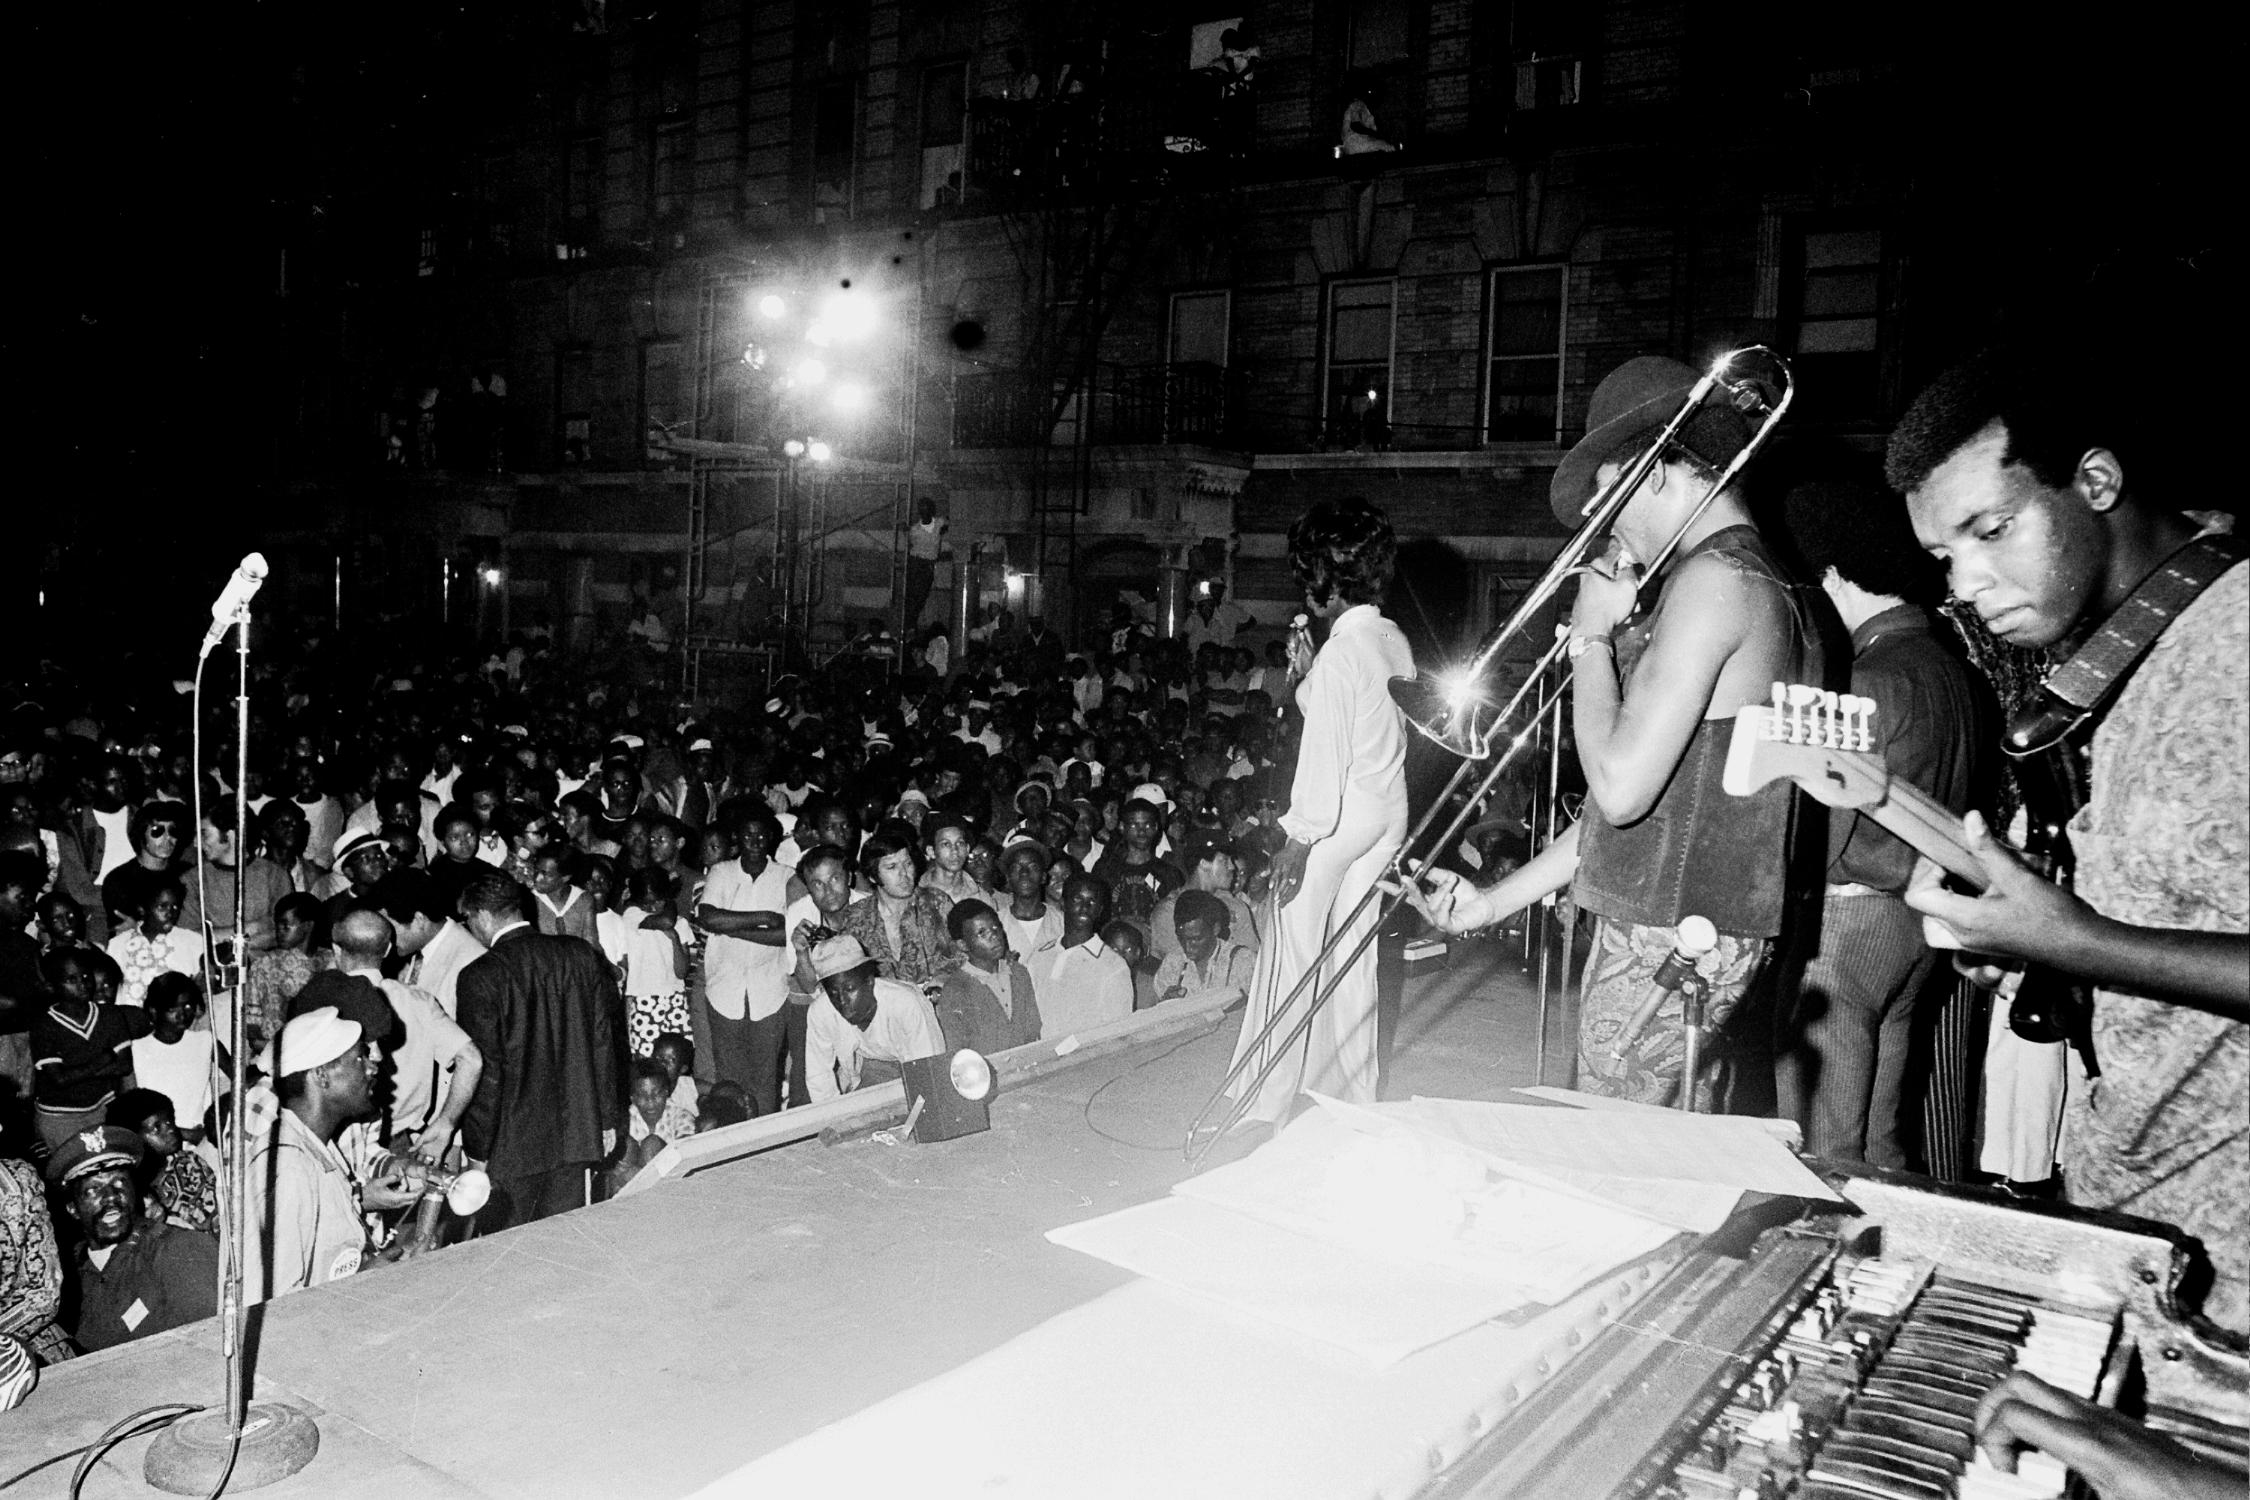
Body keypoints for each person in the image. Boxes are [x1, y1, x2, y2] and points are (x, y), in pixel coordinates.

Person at [1886, 347, 2247, 1336]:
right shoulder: (2131, 660)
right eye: (1944, 558)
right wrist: (2049, 956)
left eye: (1991, 530)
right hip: (2145, 1234)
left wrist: (2077, 943)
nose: (1967, 582)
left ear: (2095, 482)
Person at [1412, 358, 1812, 1110]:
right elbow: (1649, 814)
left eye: (1607, 496)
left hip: (1668, 933)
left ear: (1653, 470)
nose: (1604, 525)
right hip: (1689, 923)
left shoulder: (1717, 581)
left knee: (1607, 1150)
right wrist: (1494, 903)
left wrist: (1591, 640)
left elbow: (1621, 789)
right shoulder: (1764, 581)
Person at [1774, 475, 1989, 1167]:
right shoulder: (1952, 672)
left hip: (1850, 926)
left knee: (1822, 1140)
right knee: (1880, 1133)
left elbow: (1826, 829)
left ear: (1836, 576)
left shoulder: (1867, 681)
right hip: (1917, 925)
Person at [1226, 498, 1415, 1132]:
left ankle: (1266, 1096)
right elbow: (1352, 713)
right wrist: (1306, 675)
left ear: (1324, 578)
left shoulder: (1342, 653)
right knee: (1352, 954)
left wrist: (1298, 840)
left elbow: (1326, 750)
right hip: (1385, 811)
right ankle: (1346, 1094)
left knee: (1291, 944)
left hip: (1335, 819)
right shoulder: (1388, 637)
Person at [454, 871, 627, 1233]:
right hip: (575, 1134)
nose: (469, 928)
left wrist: (476, 1152)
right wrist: (607, 1118)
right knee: (566, 1244)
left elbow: (487, 1072)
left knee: (512, 1251)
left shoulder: (479, 976)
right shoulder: (579, 955)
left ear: (483, 916)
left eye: (467, 919)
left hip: (510, 1146)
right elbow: (603, 1043)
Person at [245, 1008, 420, 1301]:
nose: (372, 1068)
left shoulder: (318, 1147)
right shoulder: (287, 1168)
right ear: (322, 1076)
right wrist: (367, 1277)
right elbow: (267, 1305)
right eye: (359, 1059)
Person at [48, 1125, 219, 1350]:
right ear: (73, 1208)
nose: (110, 1197)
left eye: (120, 1182)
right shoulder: (63, 1282)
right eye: (92, 1190)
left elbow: (209, 1346)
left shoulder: (179, 1250)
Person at [693, 805, 793, 1110]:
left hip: (772, 990)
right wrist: (765, 916)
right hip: (724, 989)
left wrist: (732, 927)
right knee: (729, 1080)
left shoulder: (787, 877)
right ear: (738, 837)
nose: (755, 838)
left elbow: (785, 935)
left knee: (765, 1080)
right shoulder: (722, 872)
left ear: (771, 838)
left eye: (762, 833)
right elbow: (708, 918)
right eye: (748, 833)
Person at [30, 948, 151, 1151]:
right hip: (60, 1117)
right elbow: (59, 1080)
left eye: (86, 976)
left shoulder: (110, 1015)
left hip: (102, 1110)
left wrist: (77, 1072)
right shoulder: (44, 1024)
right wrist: (102, 1061)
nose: (83, 983)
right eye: (72, 979)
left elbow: (123, 1065)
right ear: (52, 986)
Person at [803, 934, 945, 1102]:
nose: (842, 1000)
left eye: (849, 989)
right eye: (833, 993)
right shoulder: (820, 1013)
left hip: (917, 1062)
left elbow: (929, 1073)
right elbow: (819, 1078)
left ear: (869, 981)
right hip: (870, 1067)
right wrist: (833, 1122)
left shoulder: (905, 1003)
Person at [837, 829, 959, 991]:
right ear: (873, 877)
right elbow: (846, 974)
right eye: (892, 867)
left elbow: (963, 952)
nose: (904, 874)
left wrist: (945, 976)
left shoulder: (936, 903)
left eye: (907, 864)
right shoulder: (856, 917)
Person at [1026, 873, 1133, 1040]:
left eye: (1092, 902)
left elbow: (1117, 1034)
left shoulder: (1113, 966)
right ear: (1063, 903)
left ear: (1100, 910)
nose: (1084, 907)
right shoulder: (1039, 957)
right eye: (1077, 900)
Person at [933, 898, 1041, 1056]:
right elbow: (957, 1052)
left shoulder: (1018, 973)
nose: (995, 936)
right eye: (981, 933)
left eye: (996, 927)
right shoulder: (956, 989)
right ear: (963, 945)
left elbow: (1034, 1030)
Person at [108, 1086, 218, 1233]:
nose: (171, 1129)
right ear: (133, 1139)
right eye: (156, 1127)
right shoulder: (130, 1188)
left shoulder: (187, 1164)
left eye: (169, 1121)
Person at [620, 866, 692, 1057]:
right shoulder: (633, 917)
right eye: (646, 903)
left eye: (657, 901)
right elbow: (666, 921)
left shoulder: (681, 924)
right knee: (645, 1061)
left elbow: (682, 972)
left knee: (676, 1060)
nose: (651, 908)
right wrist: (668, 905)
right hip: (643, 999)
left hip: (674, 999)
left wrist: (675, 938)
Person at [1153, 890, 1256, 1002]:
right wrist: (1166, 1006)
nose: (1187, 947)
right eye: (1181, 938)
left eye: (1196, 939)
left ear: (1215, 929)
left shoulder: (1243, 962)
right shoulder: (1172, 964)